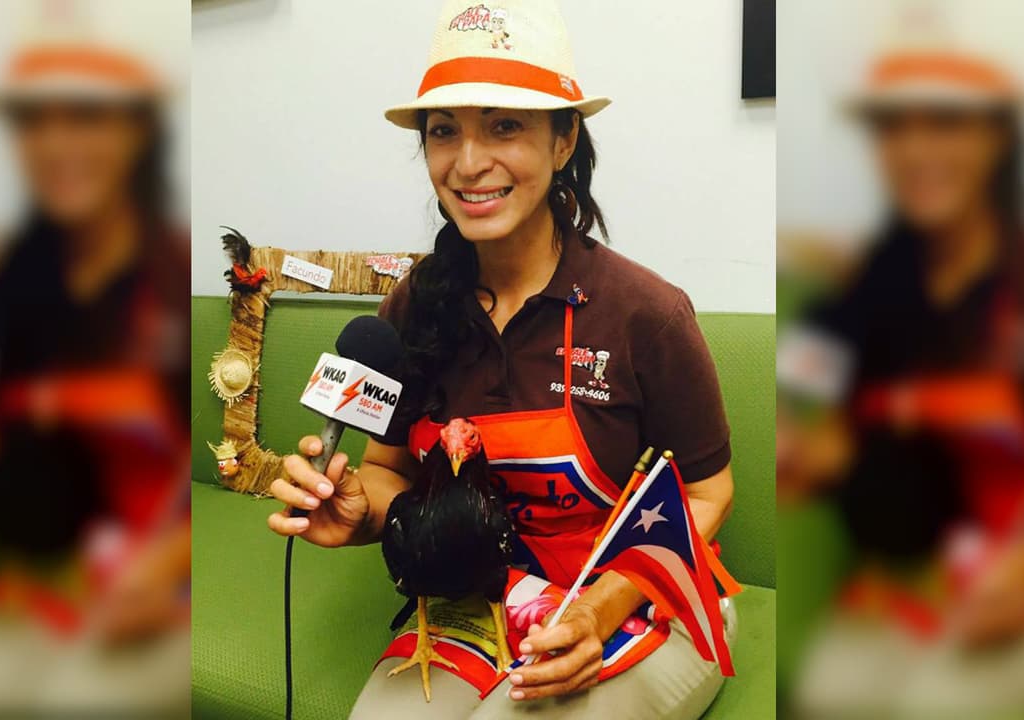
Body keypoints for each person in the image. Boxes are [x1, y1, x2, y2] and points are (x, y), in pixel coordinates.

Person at [267, 1, 738, 718]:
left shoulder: (646, 314)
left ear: (563, 140)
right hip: (481, 592)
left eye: (505, 126)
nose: (467, 163)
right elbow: (387, 472)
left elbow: (707, 495)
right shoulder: (415, 305)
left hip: (640, 593)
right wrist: (363, 514)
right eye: (443, 131)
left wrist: (599, 608)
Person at [779, 9, 1024, 716]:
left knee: (942, 706)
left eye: (947, 122)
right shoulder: (872, 285)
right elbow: (819, 398)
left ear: (999, 135)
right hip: (939, 573)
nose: (917, 149)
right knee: (827, 692)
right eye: (895, 126)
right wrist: (804, 445)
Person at [0, 34, 191, 716]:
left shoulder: (174, 281)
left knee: (80, 701)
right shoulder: (9, 276)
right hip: (40, 584)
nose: (55, 144)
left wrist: (172, 566)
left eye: (85, 117)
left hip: (168, 586)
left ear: (138, 132)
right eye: (33, 122)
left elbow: (216, 474)